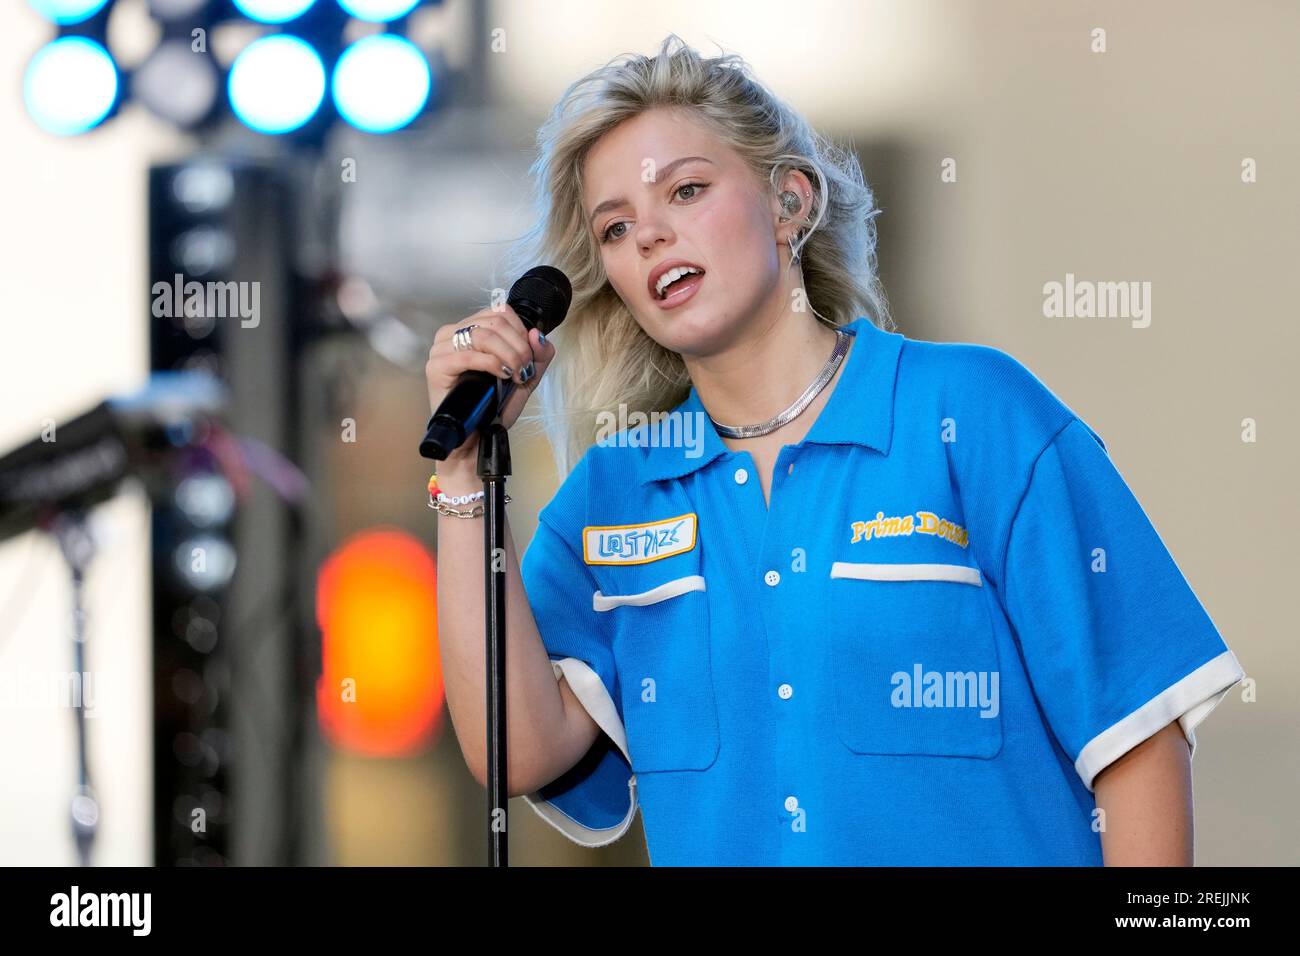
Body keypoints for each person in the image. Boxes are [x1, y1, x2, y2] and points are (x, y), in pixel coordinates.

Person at [425, 34, 1243, 866]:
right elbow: (514, 752)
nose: (650, 238)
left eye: (688, 190)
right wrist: (462, 477)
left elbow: (1138, 742)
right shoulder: (614, 494)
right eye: (615, 228)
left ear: (790, 202)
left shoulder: (973, 413)